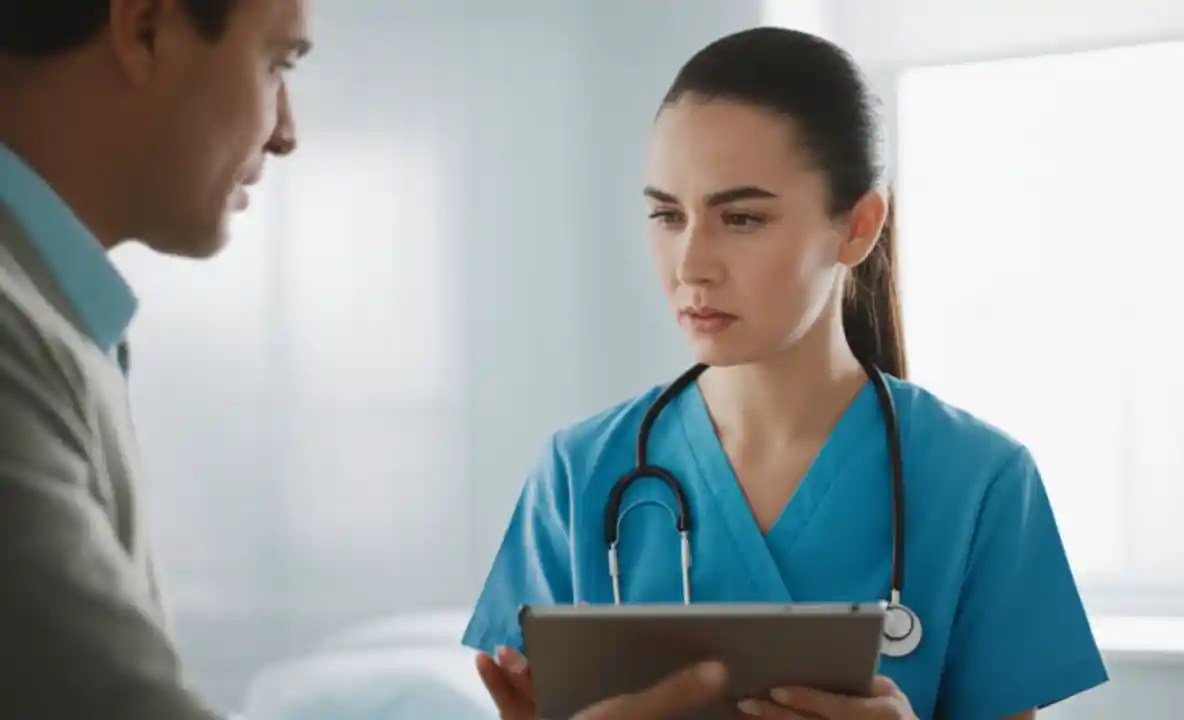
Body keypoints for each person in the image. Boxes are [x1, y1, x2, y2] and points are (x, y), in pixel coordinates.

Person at [0, 1, 724, 718]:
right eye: (275, 63)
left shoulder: (51, 319)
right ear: (145, 28)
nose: (286, 133)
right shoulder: (14, 338)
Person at [465, 26, 1110, 720]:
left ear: (858, 226)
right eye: (666, 214)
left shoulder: (980, 482)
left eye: (740, 218)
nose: (690, 265)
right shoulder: (578, 475)